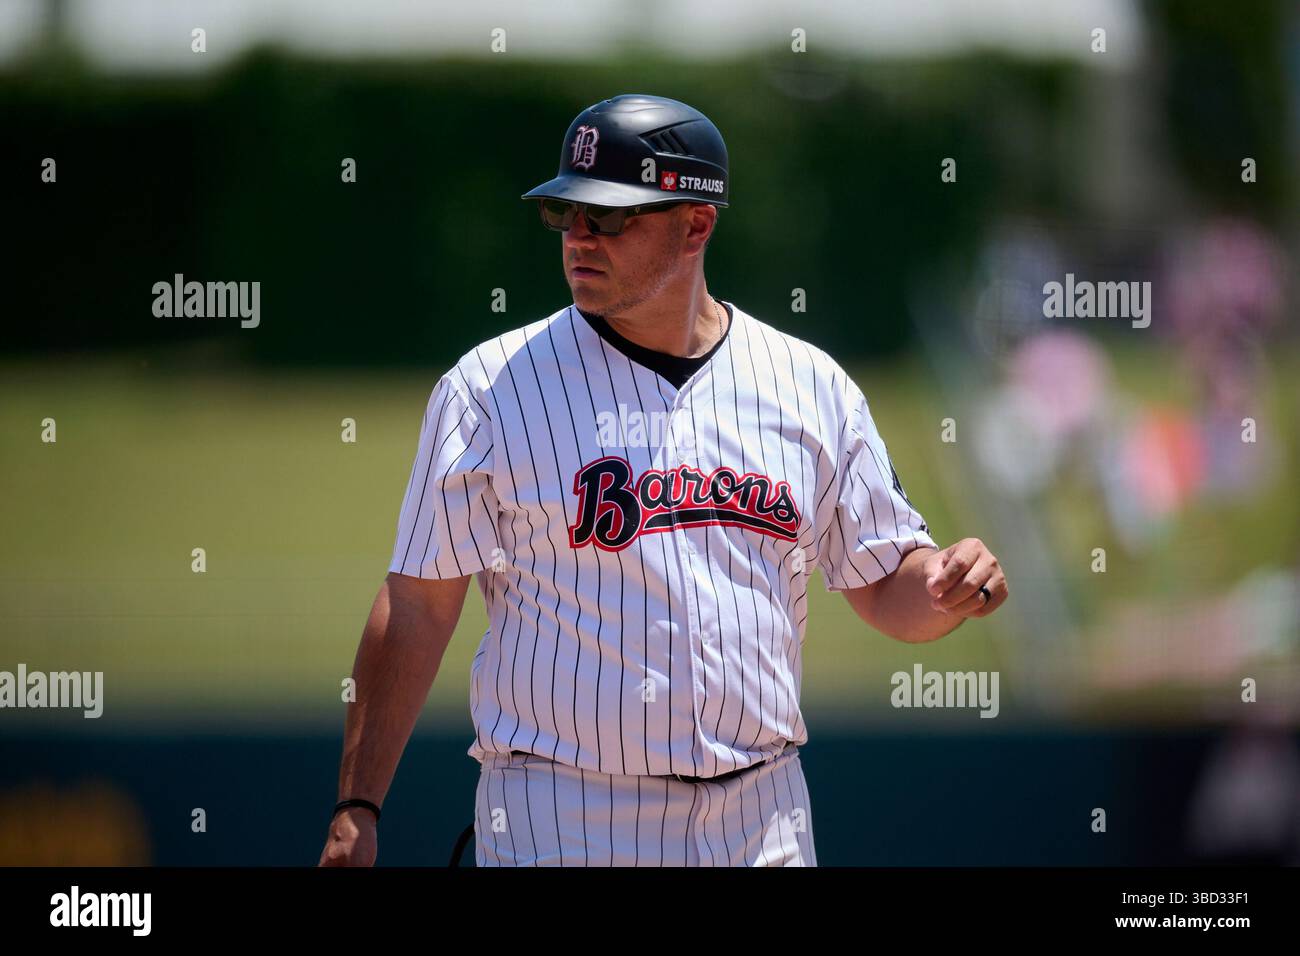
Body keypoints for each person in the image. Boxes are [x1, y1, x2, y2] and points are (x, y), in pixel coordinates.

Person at [319, 93, 1007, 867]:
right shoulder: (490, 390)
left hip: (763, 820)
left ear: (697, 224)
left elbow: (887, 585)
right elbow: (417, 603)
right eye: (567, 214)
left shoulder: (810, 386)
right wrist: (357, 804)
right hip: (563, 816)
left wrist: (947, 583)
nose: (580, 236)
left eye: (610, 218)